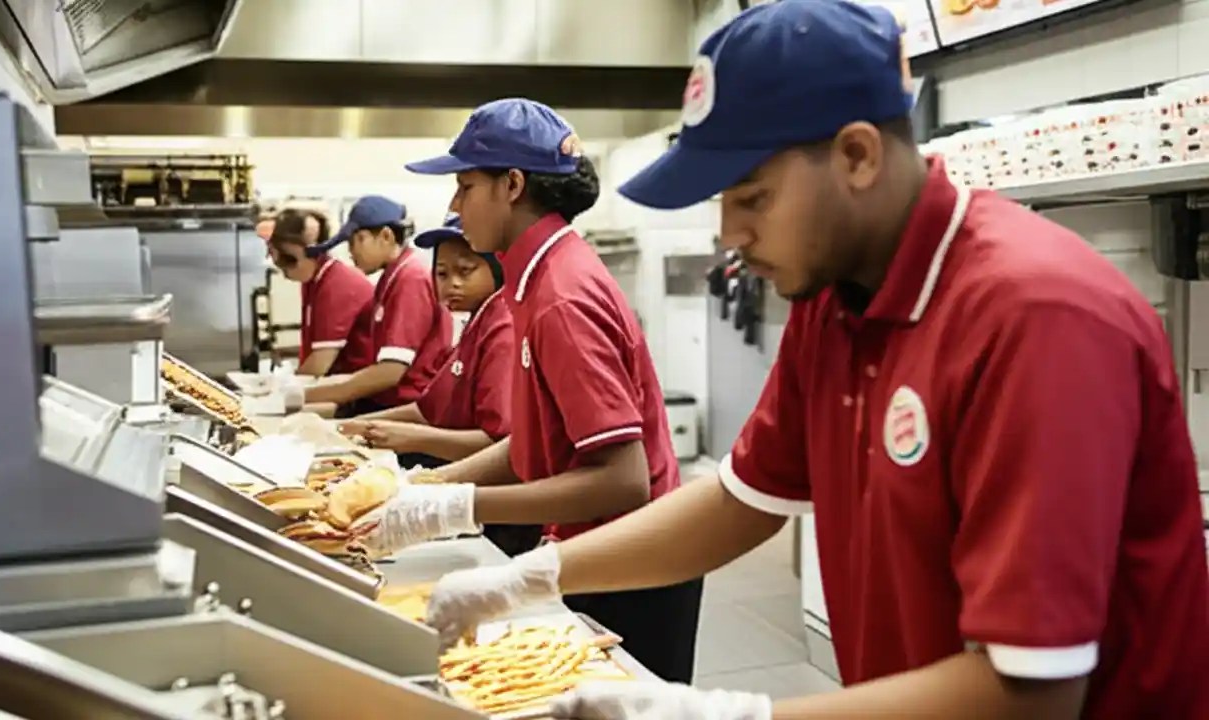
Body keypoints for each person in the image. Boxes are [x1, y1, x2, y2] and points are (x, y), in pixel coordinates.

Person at [416, 4, 1209, 720]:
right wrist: (532, 576)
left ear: (858, 156)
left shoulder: (1036, 319)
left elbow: (1027, 690)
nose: (731, 234)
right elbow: (741, 499)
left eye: (751, 196)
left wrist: (736, 717)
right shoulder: (834, 304)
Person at [353, 98, 702, 684]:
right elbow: (533, 446)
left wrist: (459, 506)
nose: (456, 205)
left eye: (465, 186)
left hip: (636, 563)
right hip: (594, 548)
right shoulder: (534, 281)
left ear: (512, 184)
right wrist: (430, 484)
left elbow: (623, 479)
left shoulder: (561, 297)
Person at [341, 213, 542, 556]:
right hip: (467, 491)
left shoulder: (503, 327)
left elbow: (500, 442)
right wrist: (357, 427)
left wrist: (412, 440)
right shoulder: (477, 321)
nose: (452, 285)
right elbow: (427, 408)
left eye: (466, 272)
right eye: (442, 274)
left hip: (497, 506)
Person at [305, 195, 451, 417]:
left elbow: (390, 372)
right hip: (383, 400)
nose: (351, 252)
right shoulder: (391, 279)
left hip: (405, 408)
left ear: (386, 236)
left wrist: (304, 395)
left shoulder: (410, 279)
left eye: (356, 241)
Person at [268, 208, 374, 377]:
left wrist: (284, 391)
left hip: (360, 391)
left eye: (287, 259)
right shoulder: (314, 281)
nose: (281, 267)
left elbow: (319, 364)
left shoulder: (338, 285)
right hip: (340, 381)